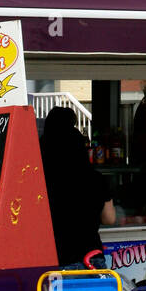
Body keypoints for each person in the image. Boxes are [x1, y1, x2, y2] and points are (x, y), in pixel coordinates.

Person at [40, 104, 116, 268]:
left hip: (56, 259)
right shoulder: (95, 178)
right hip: (91, 258)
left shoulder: (39, 180)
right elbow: (109, 218)